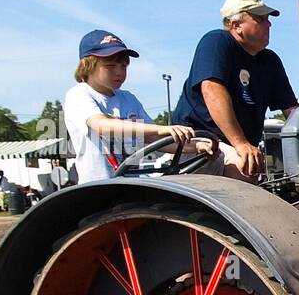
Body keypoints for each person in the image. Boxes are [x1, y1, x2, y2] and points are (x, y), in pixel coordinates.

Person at [173, 0, 299, 179]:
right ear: (236, 25)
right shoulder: (217, 42)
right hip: (199, 142)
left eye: (268, 19)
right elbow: (211, 89)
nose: (269, 24)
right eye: (260, 18)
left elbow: (292, 111)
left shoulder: (270, 61)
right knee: (243, 168)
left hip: (237, 147)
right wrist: (240, 143)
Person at [64, 30, 202, 185]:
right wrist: (161, 128)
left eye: (124, 66)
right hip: (97, 188)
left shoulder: (128, 99)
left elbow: (154, 139)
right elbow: (102, 125)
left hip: (130, 185)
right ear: (87, 65)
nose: (119, 72)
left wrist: (199, 147)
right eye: (110, 66)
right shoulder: (79, 94)